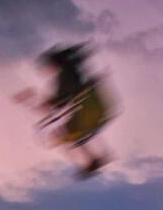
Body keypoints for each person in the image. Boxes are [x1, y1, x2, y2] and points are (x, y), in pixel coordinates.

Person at [18, 45, 115, 178]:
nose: (48, 69)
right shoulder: (70, 72)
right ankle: (94, 159)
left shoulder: (66, 75)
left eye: (49, 65)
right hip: (92, 105)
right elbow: (60, 101)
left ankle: (93, 160)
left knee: (68, 132)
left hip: (90, 107)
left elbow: (58, 102)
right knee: (71, 131)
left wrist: (31, 100)